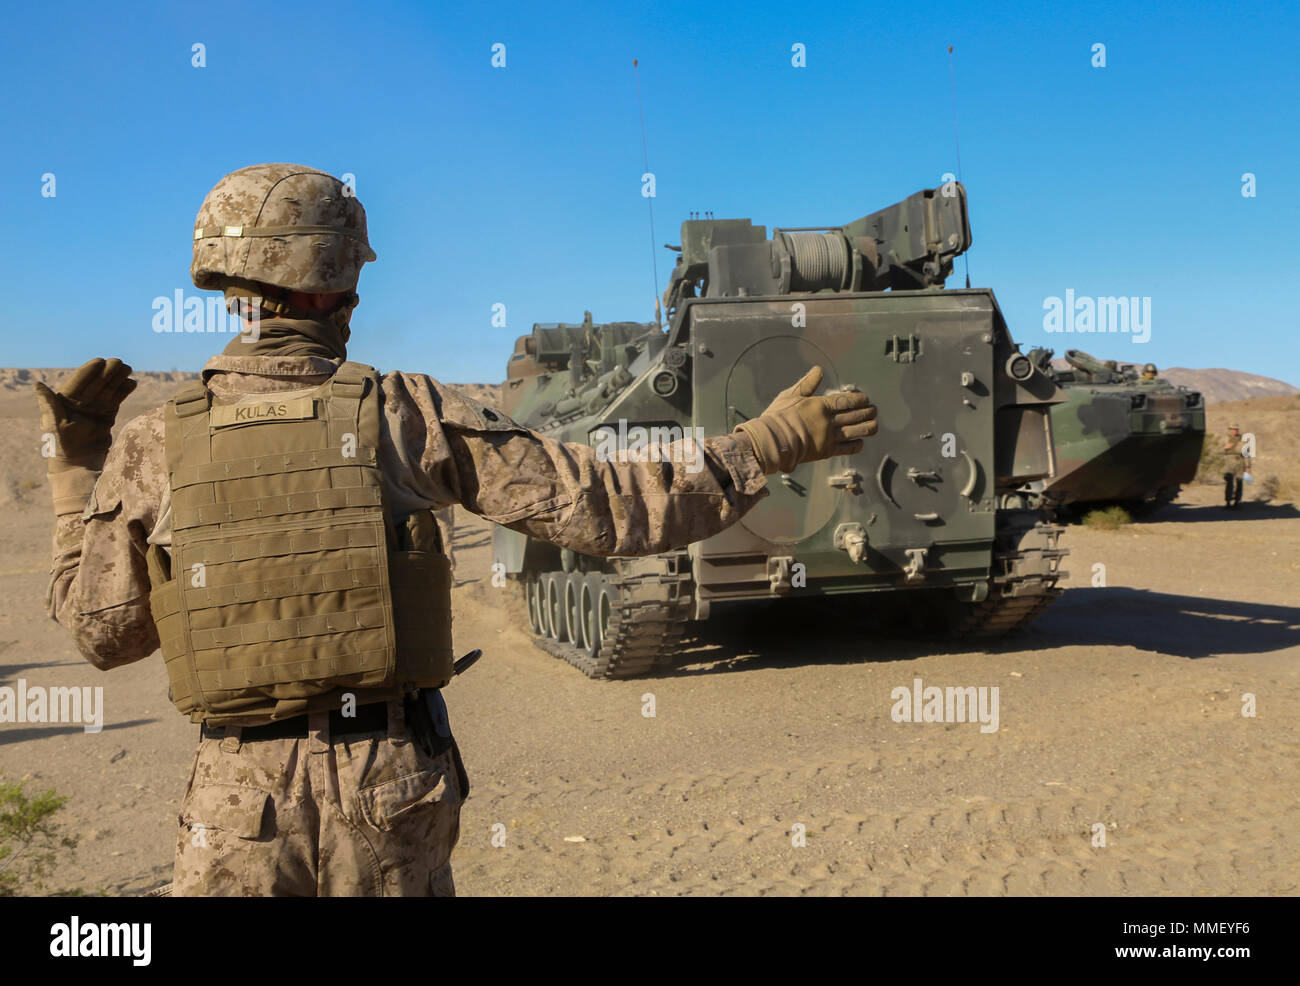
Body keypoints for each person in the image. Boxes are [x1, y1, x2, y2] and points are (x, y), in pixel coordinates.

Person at [36, 163, 876, 897]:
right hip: (389, 788)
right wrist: (767, 443)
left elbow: (103, 633)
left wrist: (75, 474)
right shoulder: (407, 413)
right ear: (337, 286)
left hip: (236, 806)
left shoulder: (155, 444)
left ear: (225, 283)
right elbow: (611, 509)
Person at [1221, 424, 1252, 509]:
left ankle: (1237, 502)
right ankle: (1228, 502)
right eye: (1233, 429)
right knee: (1229, 481)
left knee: (1239, 481)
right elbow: (1217, 450)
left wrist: (1248, 466)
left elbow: (1246, 453)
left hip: (1240, 460)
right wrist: (1225, 448)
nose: (1235, 431)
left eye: (1236, 429)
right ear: (1230, 429)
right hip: (1229, 461)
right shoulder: (1225, 438)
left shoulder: (1242, 439)